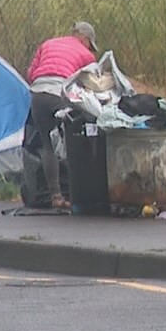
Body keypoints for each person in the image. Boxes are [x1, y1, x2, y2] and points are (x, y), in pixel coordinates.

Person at [22, 21, 98, 208]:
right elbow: (92, 85)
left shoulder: (48, 44)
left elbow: (30, 73)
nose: (90, 48)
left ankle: (56, 196)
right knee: (73, 141)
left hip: (38, 95)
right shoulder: (86, 55)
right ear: (84, 38)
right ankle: (77, 194)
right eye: (90, 43)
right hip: (60, 94)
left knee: (48, 145)